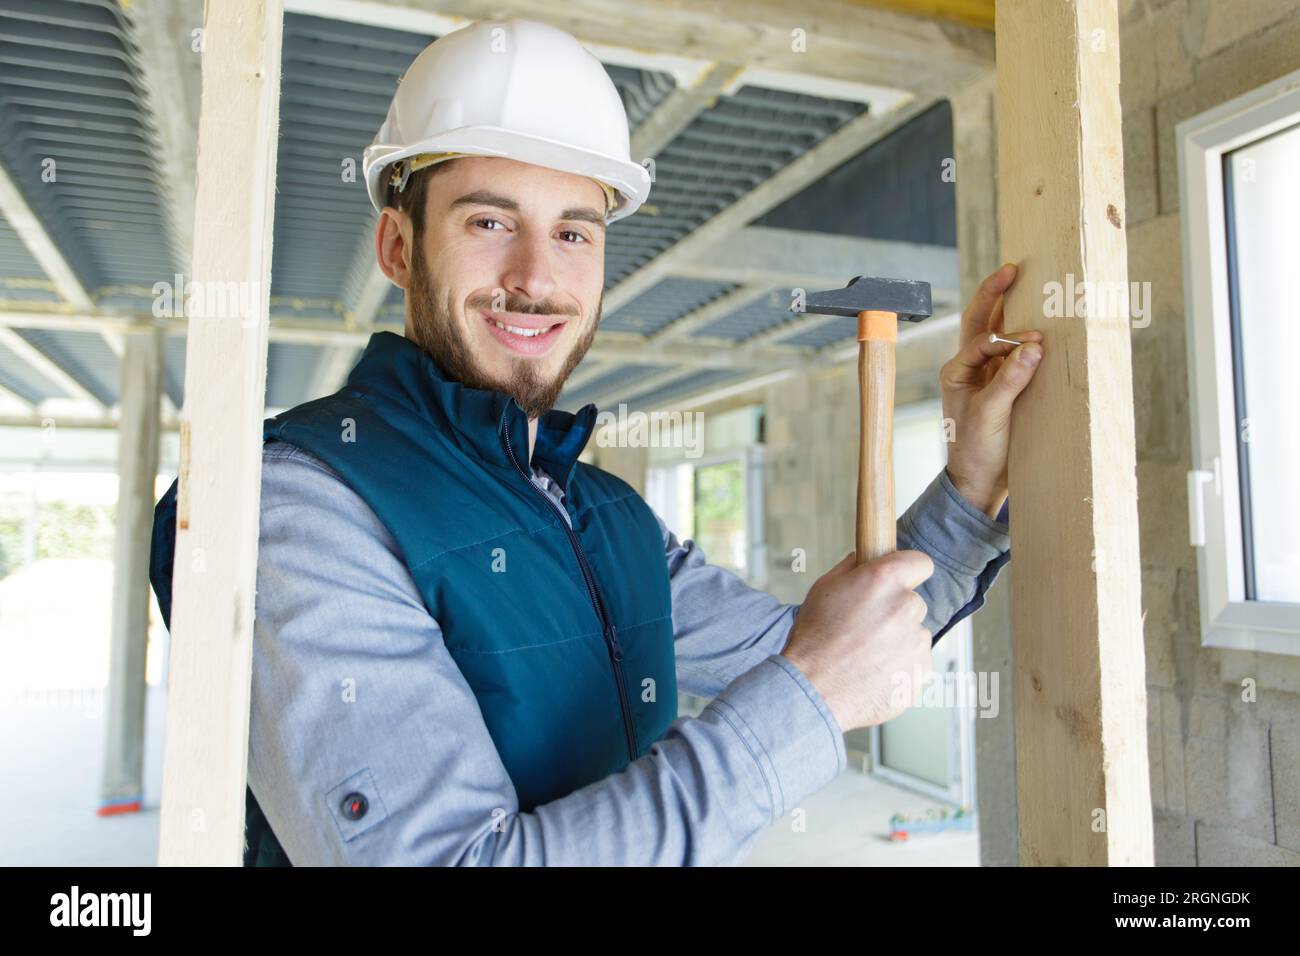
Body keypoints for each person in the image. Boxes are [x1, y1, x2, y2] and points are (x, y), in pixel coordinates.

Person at [151, 17, 1044, 866]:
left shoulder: (610, 518)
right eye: (489, 221)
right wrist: (809, 696)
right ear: (396, 245)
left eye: (574, 231)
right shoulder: (299, 503)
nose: (536, 277)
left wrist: (968, 489)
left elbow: (837, 645)